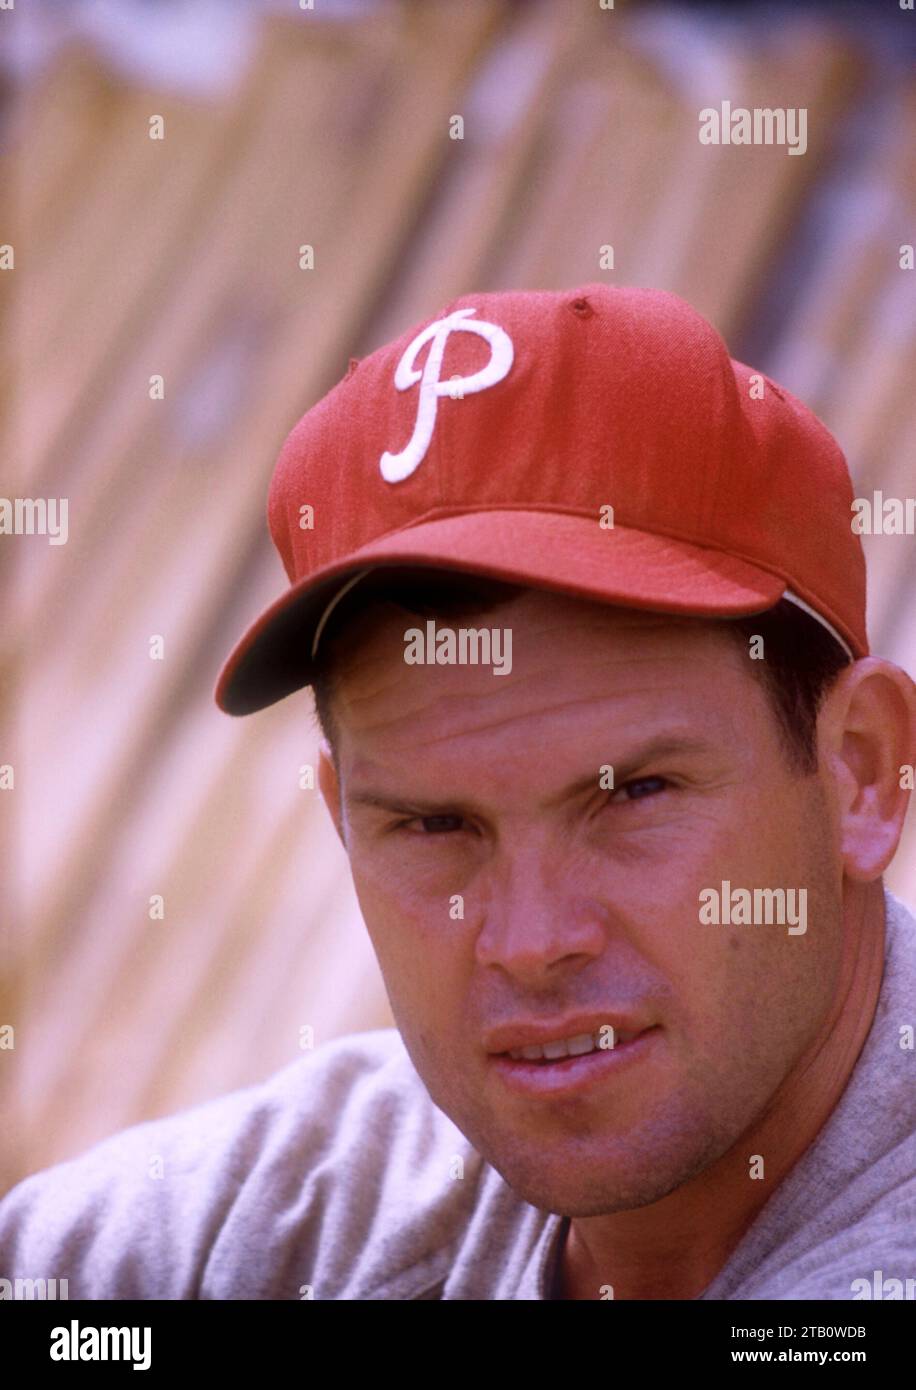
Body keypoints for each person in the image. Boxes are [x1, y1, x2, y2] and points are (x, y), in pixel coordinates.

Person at [2, 284, 913, 1301]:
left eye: (633, 794)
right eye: (435, 823)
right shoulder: (309, 1206)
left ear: (861, 772)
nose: (528, 940)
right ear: (342, 817)